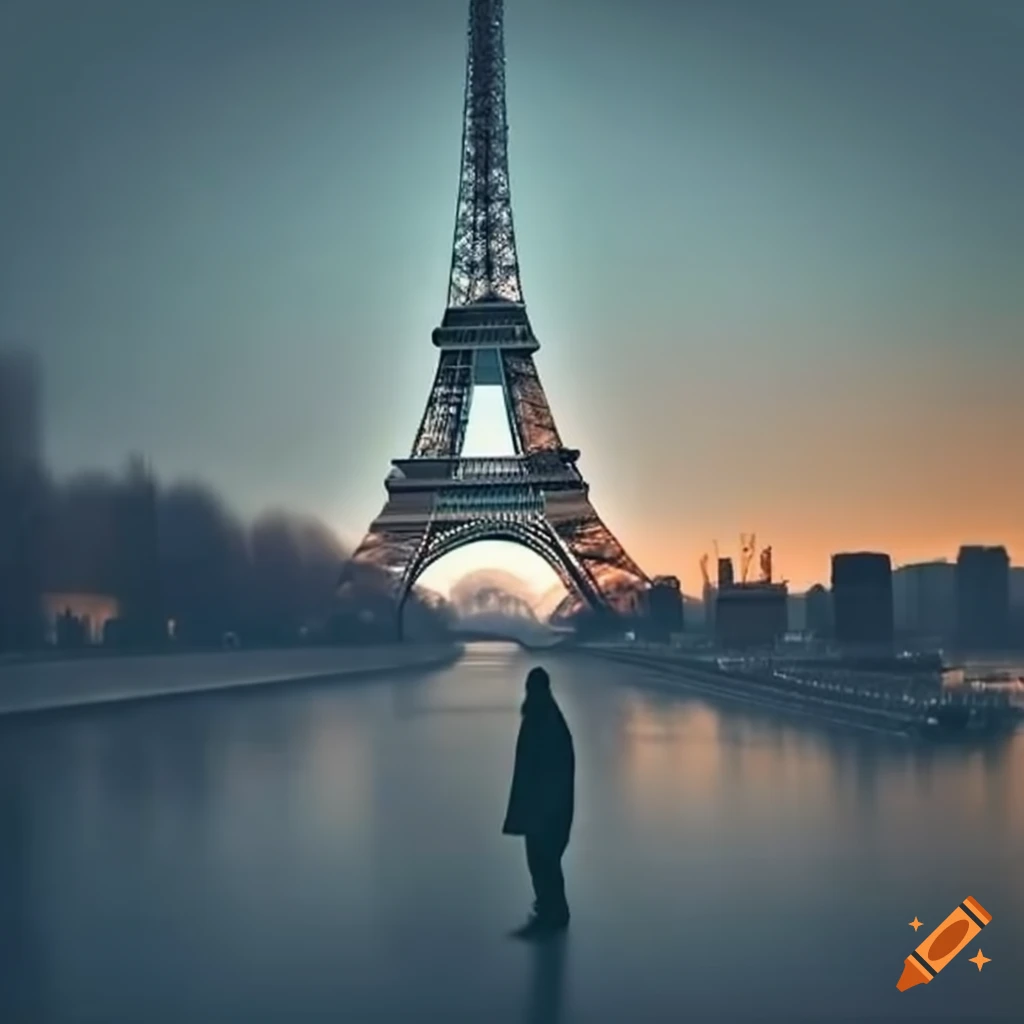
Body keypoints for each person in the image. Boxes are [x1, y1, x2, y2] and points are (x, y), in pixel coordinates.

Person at [503, 666, 575, 938]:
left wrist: (545, 810)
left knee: (544, 861)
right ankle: (551, 910)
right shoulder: (542, 718)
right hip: (543, 808)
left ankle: (553, 913)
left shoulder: (544, 721)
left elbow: (551, 770)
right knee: (543, 862)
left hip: (546, 811)